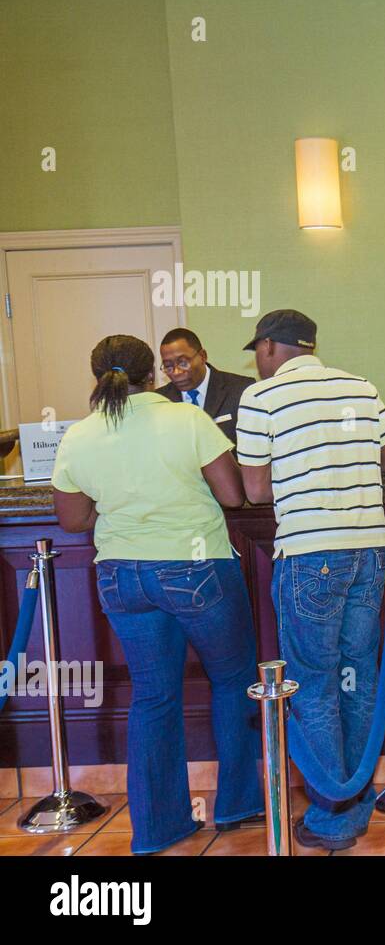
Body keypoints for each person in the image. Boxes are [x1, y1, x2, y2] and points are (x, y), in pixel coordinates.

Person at [50, 335, 262, 853]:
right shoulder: (187, 419)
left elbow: (74, 518)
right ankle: (236, 805)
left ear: (96, 377)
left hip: (121, 576)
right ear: (154, 376)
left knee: (152, 695)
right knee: (233, 681)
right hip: (195, 568)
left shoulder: (79, 434)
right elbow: (234, 496)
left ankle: (157, 827)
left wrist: (120, 504)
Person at [236, 309, 385, 851]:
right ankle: (354, 803)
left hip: (309, 554)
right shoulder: (359, 386)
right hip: (369, 551)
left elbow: (257, 490)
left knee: (312, 684)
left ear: (269, 348)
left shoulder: (260, 399)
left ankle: (332, 816)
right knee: (356, 675)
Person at [156, 327, 255, 443]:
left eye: (183, 363)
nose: (176, 372)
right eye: (168, 366)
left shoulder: (241, 390)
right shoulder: (159, 401)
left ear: (202, 356)